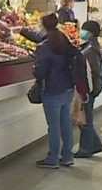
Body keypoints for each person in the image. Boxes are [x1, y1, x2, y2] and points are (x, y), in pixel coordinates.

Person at [33, 14, 80, 169]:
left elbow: (40, 71)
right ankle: (67, 156)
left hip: (52, 89)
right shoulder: (63, 40)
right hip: (67, 87)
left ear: (44, 26)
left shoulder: (45, 46)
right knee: (65, 123)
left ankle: (53, 158)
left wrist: (35, 67)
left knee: (53, 126)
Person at [76, 20, 102, 158]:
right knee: (86, 118)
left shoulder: (90, 50)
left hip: (89, 89)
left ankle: (86, 149)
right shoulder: (92, 47)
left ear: (90, 33)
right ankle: (95, 145)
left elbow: (90, 72)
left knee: (85, 120)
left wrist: (86, 91)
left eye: (83, 30)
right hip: (92, 88)